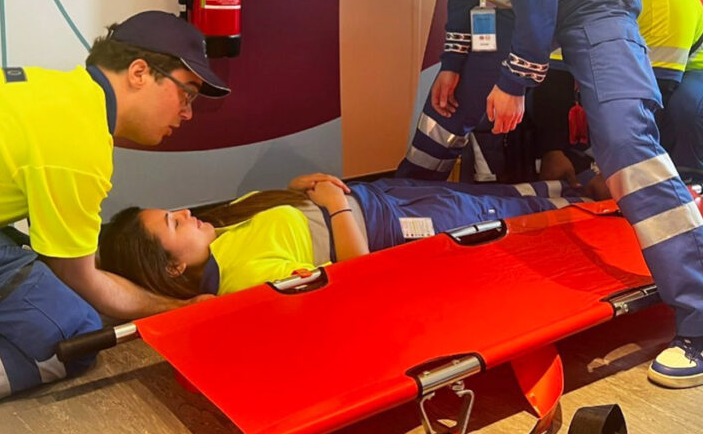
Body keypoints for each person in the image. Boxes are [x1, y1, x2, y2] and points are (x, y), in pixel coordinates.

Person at [333, 0, 703, 388]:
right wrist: (456, 65)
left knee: (622, 139)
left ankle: (700, 320)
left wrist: (514, 82)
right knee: (447, 104)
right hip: (512, 11)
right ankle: (393, 217)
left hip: (592, 1)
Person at [0, 10, 230, 419]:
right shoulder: (80, 139)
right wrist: (177, 309)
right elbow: (78, 276)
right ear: (140, 73)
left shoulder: (60, 91)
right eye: (187, 94)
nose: (187, 113)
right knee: (74, 331)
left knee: (22, 271)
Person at [99, 173, 588, 297]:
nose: (186, 212)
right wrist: (334, 207)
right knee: (486, 214)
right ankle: (593, 211)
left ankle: (574, 187)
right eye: (174, 223)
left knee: (472, 195)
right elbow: (357, 281)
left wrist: (299, 188)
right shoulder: (244, 279)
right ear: (172, 267)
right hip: (381, 228)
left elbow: (278, 215)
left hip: (369, 198)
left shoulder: (219, 230)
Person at [534, 0, 703, 196]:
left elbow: (652, 97)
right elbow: (555, 79)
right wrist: (553, 150)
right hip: (626, 67)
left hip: (688, 72)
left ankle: (687, 181)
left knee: (686, 107)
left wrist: (623, 172)